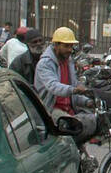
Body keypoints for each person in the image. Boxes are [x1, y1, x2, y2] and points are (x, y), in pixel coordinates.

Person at [35, 26, 98, 155]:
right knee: (73, 129)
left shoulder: (68, 62)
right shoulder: (45, 64)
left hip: (68, 108)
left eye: (71, 46)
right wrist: (75, 90)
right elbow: (54, 87)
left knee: (96, 121)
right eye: (66, 46)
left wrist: (88, 102)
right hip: (51, 110)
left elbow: (73, 92)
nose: (69, 50)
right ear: (56, 45)